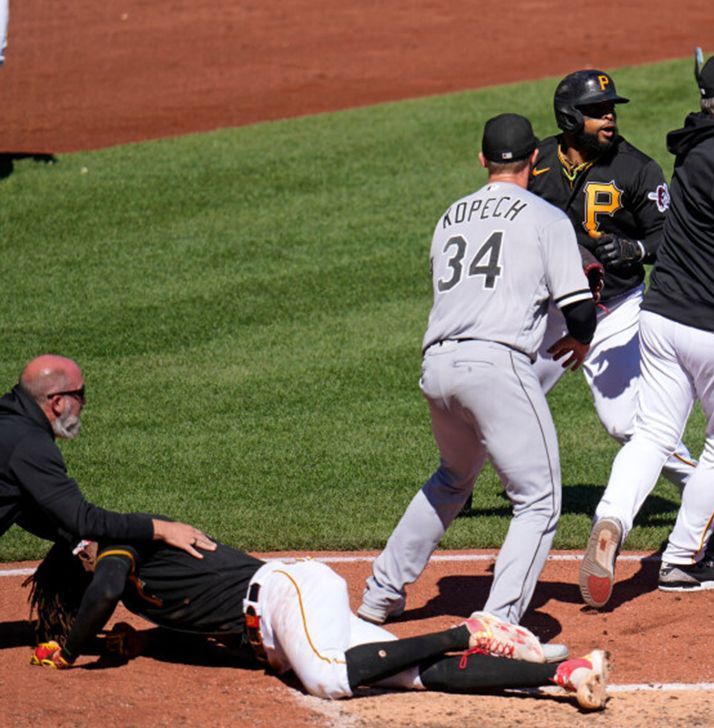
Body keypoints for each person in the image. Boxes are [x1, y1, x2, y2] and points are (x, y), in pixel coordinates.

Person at [358, 114, 595, 639]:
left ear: (483, 160)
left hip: (437, 366)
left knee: (451, 480)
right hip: (495, 367)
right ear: (535, 158)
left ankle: (378, 596)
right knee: (539, 500)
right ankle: (500, 621)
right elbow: (579, 312)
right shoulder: (546, 217)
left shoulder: (450, 216)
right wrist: (579, 336)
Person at [577, 51, 714, 608]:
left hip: (662, 317)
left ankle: (612, 520)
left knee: (652, 434)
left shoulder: (695, 148)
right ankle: (682, 561)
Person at [24, 535, 610, 709]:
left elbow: (100, 590)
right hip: (284, 620)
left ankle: (467, 631)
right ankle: (563, 674)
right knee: (413, 675)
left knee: (330, 679)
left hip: (284, 598)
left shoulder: (116, 546)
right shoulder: (136, 580)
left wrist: (71, 650)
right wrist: (141, 641)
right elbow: (190, 614)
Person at [528, 70, 714, 544]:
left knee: (626, 421)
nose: (610, 117)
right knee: (503, 396)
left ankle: (707, 494)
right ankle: (464, 487)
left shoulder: (637, 169)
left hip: (613, 309)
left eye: (612, 108)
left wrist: (635, 251)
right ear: (568, 117)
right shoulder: (537, 161)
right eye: (598, 110)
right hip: (548, 311)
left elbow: (671, 236)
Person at [1, 354, 215, 557]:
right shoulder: (29, 444)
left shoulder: (11, 422)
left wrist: (76, 539)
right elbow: (81, 519)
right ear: (57, 402)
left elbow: (24, 501)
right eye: (80, 394)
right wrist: (161, 528)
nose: (84, 403)